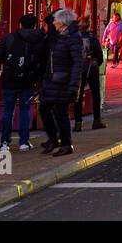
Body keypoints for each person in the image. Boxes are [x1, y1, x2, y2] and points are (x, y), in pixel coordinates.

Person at [0, 14, 46, 152]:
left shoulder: (9, 37)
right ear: (34, 25)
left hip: (9, 79)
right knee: (25, 109)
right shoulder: (38, 39)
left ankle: (4, 143)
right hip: (28, 80)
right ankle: (24, 141)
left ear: (20, 24)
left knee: (7, 111)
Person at [39, 9, 84, 157]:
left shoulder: (72, 37)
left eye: (55, 20)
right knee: (45, 108)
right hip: (54, 80)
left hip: (63, 82)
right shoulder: (62, 36)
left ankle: (66, 144)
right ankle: (54, 139)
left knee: (61, 113)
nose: (53, 22)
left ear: (63, 22)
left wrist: (74, 86)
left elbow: (77, 63)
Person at [74, 18, 106, 133]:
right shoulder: (93, 39)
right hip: (91, 69)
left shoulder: (75, 40)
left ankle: (78, 122)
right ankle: (96, 120)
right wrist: (95, 62)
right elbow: (100, 58)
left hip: (78, 70)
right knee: (95, 94)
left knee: (78, 95)